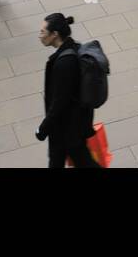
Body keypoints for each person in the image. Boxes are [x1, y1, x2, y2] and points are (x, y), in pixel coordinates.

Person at [35, 13, 100, 168]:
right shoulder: (73, 47)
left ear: (55, 34)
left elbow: (59, 101)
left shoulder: (64, 63)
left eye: (43, 32)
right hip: (71, 125)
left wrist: (43, 128)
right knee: (67, 160)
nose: (39, 36)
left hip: (67, 128)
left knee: (82, 161)